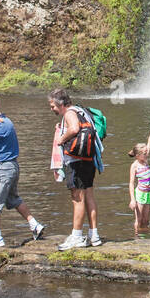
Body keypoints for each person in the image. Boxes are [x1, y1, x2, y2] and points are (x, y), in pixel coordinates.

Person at [0, 97, 44, 248]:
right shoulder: (5, 121)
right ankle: (34, 224)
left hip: (2, 168)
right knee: (13, 199)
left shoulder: (0, 125)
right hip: (11, 167)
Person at [50, 89, 101, 249]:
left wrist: (61, 139)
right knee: (89, 196)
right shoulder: (81, 110)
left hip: (76, 161)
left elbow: (74, 129)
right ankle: (94, 235)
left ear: (61, 103)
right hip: (88, 159)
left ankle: (77, 236)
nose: (52, 109)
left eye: (52, 106)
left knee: (77, 199)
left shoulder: (69, 113)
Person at [128, 116, 150, 234]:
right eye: (144, 153)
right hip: (140, 194)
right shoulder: (135, 165)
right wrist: (132, 200)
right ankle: (137, 238)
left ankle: (145, 237)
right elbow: (131, 183)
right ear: (137, 155)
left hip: (149, 193)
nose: (146, 154)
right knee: (139, 219)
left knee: (146, 220)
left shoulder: (145, 160)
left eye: (146, 152)